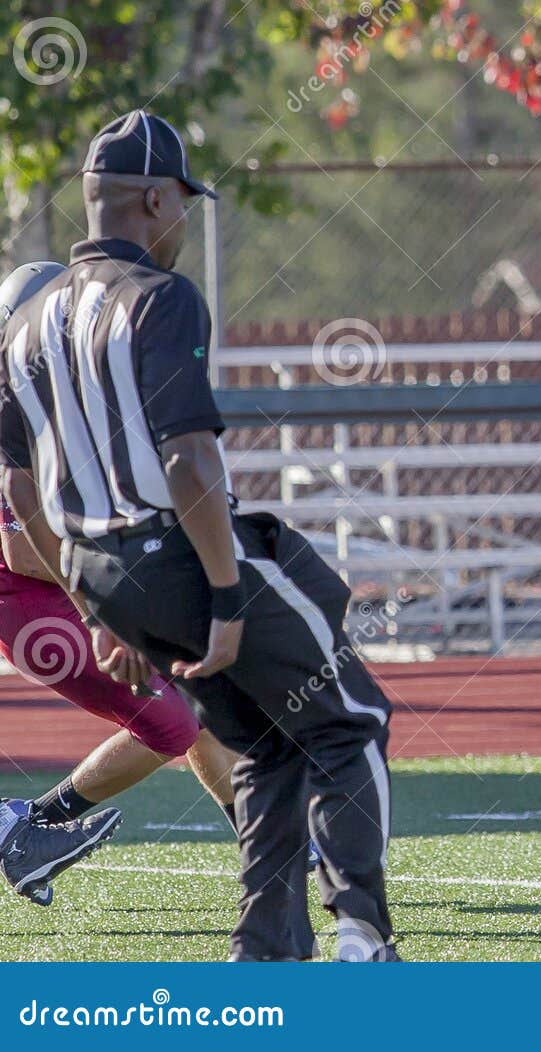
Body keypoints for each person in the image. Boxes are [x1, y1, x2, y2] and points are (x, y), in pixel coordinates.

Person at [0, 110, 395, 961]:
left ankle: (265, 951)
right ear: (151, 198)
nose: (184, 220)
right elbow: (188, 464)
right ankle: (364, 936)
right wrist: (224, 594)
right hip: (169, 556)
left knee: (259, 741)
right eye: (181, 201)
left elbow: (20, 488)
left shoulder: (29, 327)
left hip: (100, 573)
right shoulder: (160, 297)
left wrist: (95, 604)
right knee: (349, 716)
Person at [0, 261, 315, 911]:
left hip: (61, 583)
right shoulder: (21, 411)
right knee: (167, 720)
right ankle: (24, 827)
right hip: (28, 596)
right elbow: (24, 552)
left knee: (192, 693)